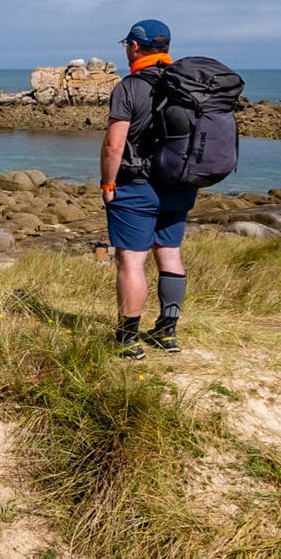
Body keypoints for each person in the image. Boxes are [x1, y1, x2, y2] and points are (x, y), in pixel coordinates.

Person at [100, 19, 193, 360]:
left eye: (127, 45)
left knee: (131, 260)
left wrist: (109, 183)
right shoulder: (187, 85)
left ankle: (127, 339)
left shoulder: (129, 86)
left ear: (135, 47)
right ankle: (167, 333)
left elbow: (114, 145)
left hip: (136, 185)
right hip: (180, 183)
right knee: (169, 253)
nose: (126, 50)